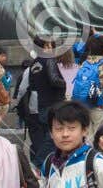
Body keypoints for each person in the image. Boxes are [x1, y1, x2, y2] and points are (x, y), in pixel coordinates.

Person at [18, 38, 67, 166]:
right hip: (53, 102)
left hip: (41, 104)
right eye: (51, 45)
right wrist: (64, 84)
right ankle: (39, 162)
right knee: (52, 137)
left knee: (46, 135)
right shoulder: (49, 60)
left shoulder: (34, 63)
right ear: (46, 46)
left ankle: (44, 163)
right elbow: (54, 80)